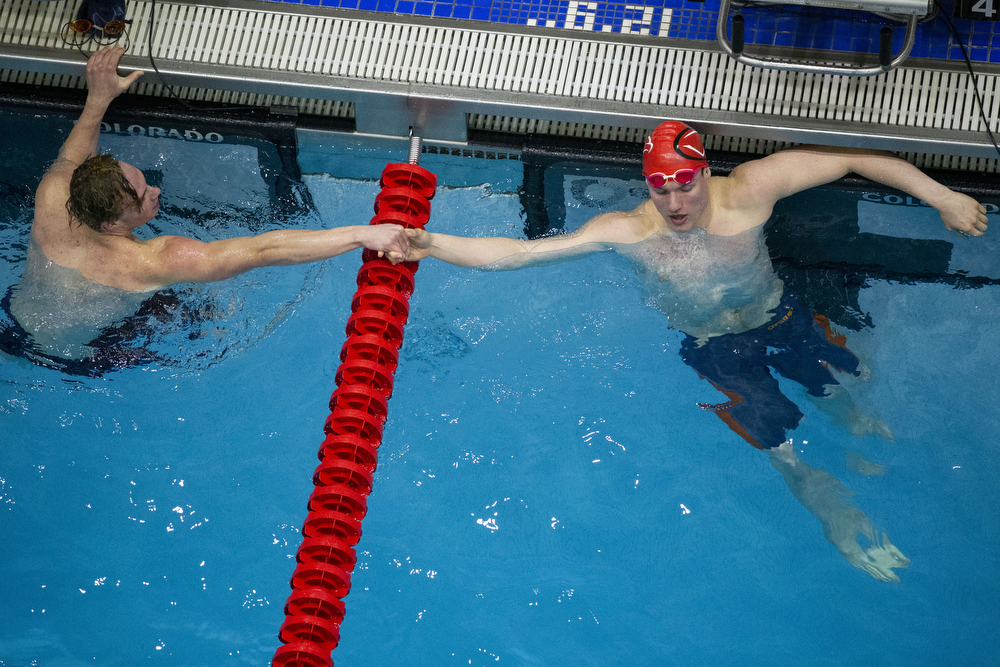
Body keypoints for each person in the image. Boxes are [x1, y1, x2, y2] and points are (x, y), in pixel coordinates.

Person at [407, 120, 990, 582]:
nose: (674, 202)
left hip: (779, 316)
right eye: (659, 188)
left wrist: (943, 197)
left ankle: (865, 445)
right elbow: (516, 254)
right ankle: (833, 510)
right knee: (779, 447)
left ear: (705, 172)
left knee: (844, 392)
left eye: (684, 183)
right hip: (714, 349)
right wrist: (430, 243)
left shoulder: (754, 189)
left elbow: (856, 157)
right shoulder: (628, 232)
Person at [3, 45, 409, 365]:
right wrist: (361, 233)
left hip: (15, 327)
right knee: (200, 311)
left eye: (146, 184)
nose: (156, 192)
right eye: (143, 198)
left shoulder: (55, 196)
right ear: (110, 225)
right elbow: (264, 250)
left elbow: (69, 158)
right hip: (88, 353)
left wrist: (99, 98)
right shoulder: (154, 260)